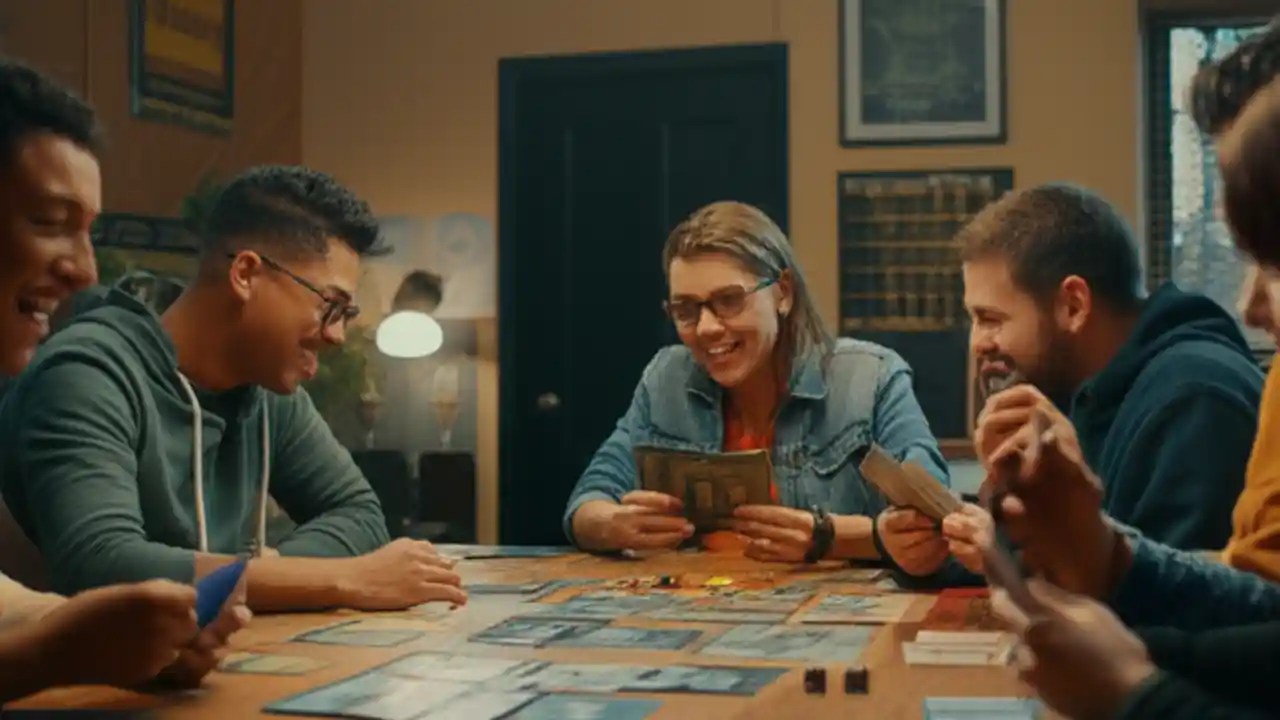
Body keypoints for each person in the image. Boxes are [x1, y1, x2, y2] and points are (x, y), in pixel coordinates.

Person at [0, 163, 467, 611]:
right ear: (245, 274)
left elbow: (358, 511)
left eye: (345, 316)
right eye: (330, 305)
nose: (336, 336)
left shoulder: (263, 387)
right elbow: (101, 564)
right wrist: (350, 578)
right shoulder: (87, 373)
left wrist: (274, 571)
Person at [0, 57, 247, 702]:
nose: (86, 270)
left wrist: (133, 637)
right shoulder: (85, 368)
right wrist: (52, 652)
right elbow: (95, 563)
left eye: (90, 233)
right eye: (52, 224)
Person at [879, 183, 1266, 585]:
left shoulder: (1194, 400)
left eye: (991, 318)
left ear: (1074, 306)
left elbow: (1172, 609)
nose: (978, 343)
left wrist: (1009, 556)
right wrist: (935, 555)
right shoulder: (1075, 394)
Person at [563, 200, 949, 563]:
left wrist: (828, 537)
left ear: (783, 292)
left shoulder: (870, 378)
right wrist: (612, 525)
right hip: (698, 609)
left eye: (730, 300)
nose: (707, 327)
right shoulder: (667, 378)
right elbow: (589, 499)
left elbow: (933, 524)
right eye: (685, 310)